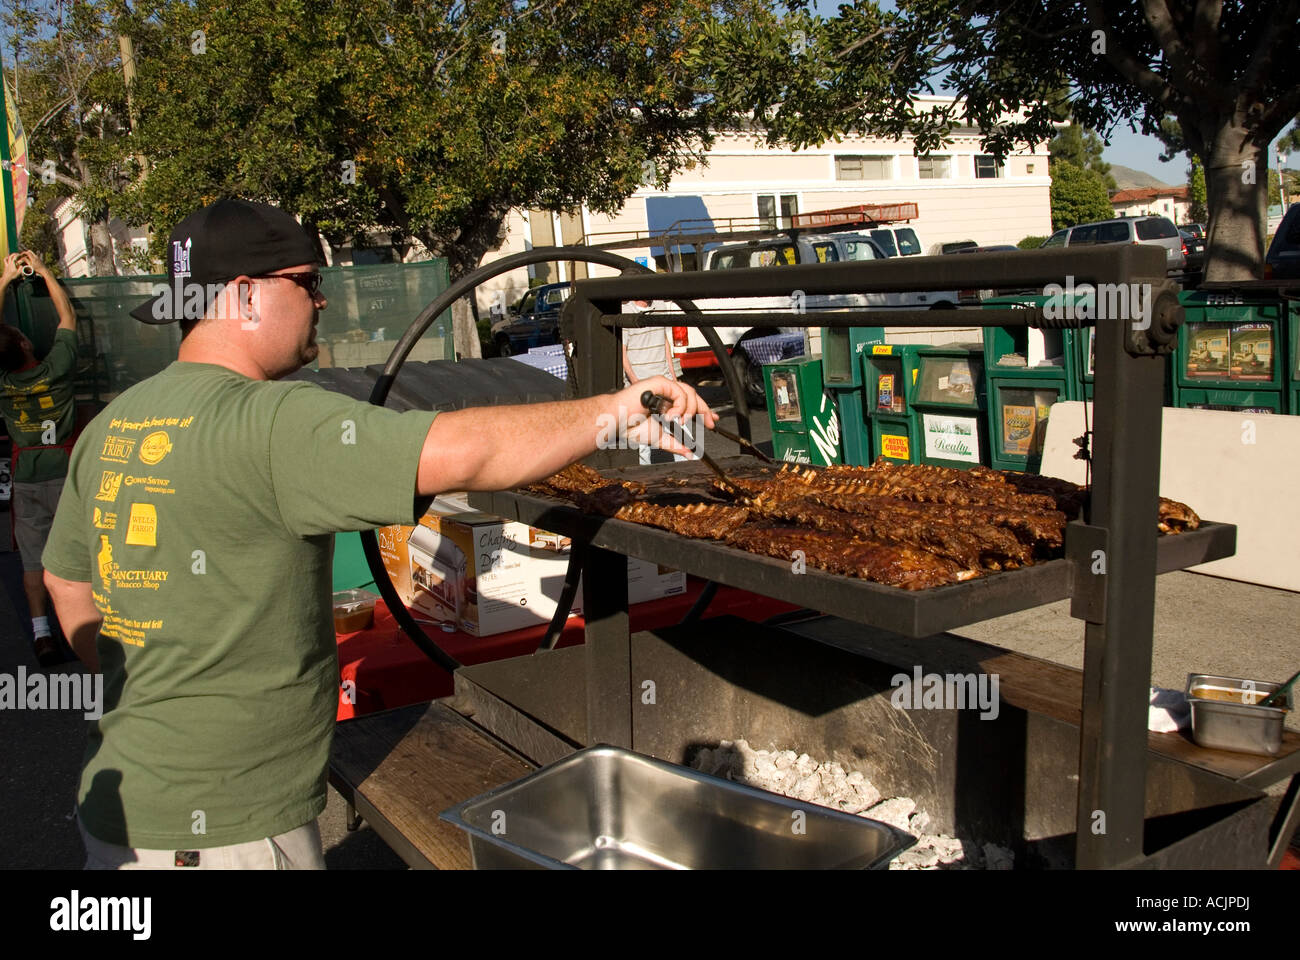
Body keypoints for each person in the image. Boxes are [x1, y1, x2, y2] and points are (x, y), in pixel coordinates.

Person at [41, 198, 713, 870]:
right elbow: (460, 452)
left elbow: (66, 583)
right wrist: (616, 410)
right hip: (222, 832)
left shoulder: (113, 423)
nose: (321, 303)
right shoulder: (270, 422)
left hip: (123, 802)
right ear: (245, 295)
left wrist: (155, 685)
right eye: (308, 282)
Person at [0, 251, 80, 667]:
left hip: (27, 475)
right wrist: (45, 272)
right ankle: (83, 630)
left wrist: (3, 279)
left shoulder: (3, 385)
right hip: (66, 472)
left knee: (33, 559)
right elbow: (67, 317)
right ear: (28, 344)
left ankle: (43, 634)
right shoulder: (59, 368)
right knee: (79, 554)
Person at [621, 298, 687, 465]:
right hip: (639, 384)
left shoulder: (660, 306)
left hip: (663, 381)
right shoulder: (625, 312)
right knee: (643, 441)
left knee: (679, 431)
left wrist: (673, 378)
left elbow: (664, 342)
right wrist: (635, 383)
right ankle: (645, 479)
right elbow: (622, 351)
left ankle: (689, 471)